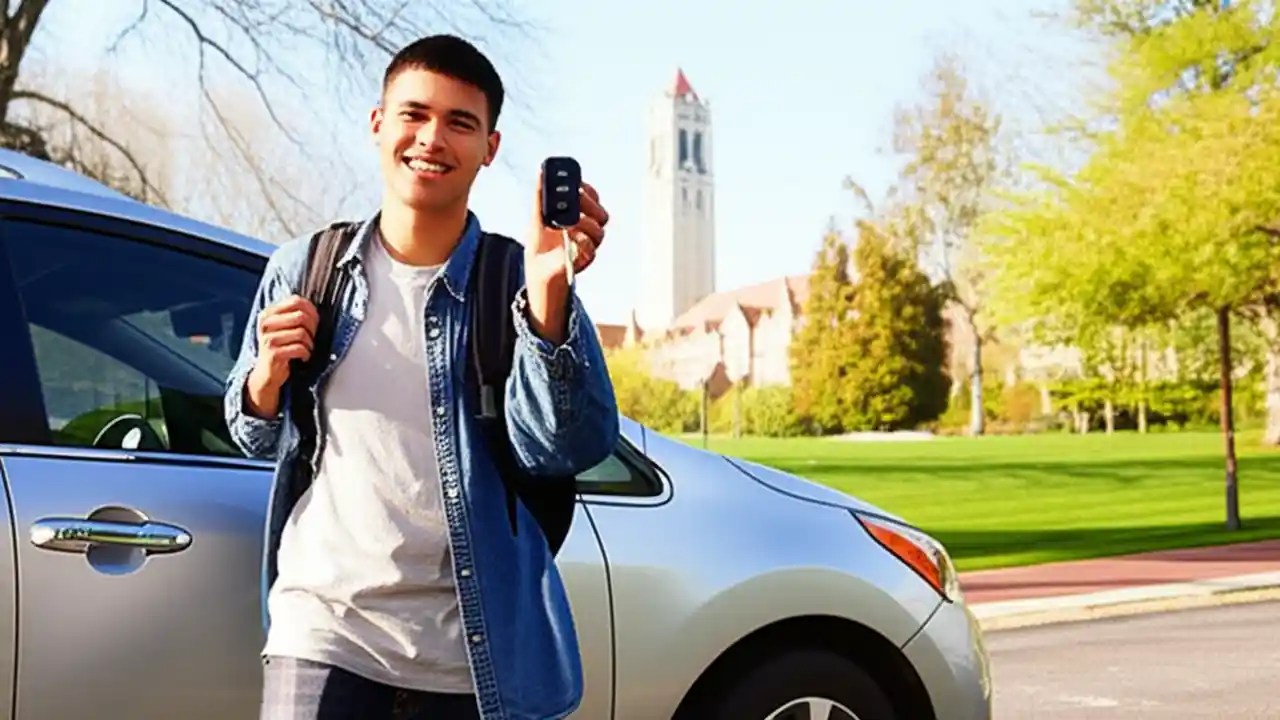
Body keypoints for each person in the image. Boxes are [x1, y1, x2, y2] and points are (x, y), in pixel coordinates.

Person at [223, 33, 620, 720]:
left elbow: (565, 448)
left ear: (490, 148)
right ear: (379, 125)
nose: (432, 138)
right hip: (324, 633)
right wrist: (264, 379)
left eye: (460, 122)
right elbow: (253, 436)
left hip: (474, 654)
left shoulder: (514, 281)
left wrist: (550, 300)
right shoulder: (305, 268)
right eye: (414, 114)